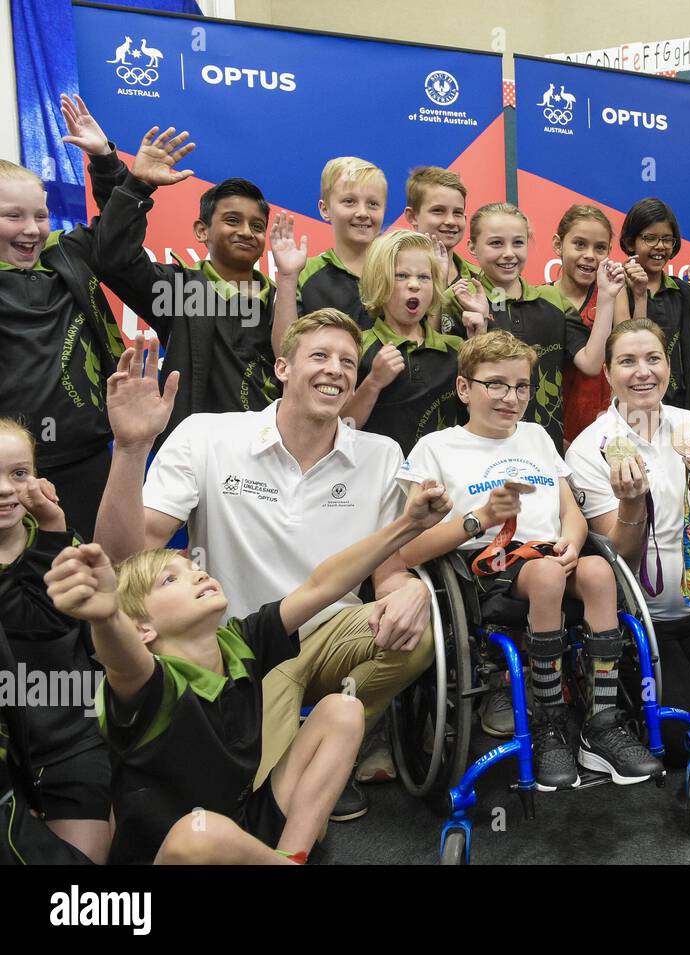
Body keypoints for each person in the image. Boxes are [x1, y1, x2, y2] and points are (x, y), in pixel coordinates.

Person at [92, 311, 436, 821]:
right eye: (319, 356)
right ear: (281, 367)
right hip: (240, 646)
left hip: (331, 633)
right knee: (251, 809)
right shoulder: (209, 435)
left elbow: (388, 574)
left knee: (419, 636)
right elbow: (125, 556)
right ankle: (309, 761)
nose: (336, 370)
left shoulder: (382, 455)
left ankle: (327, 742)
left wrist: (409, 590)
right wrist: (130, 448)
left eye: (347, 361)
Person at [44, 477, 450, 864]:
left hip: (247, 832)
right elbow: (122, 660)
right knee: (198, 832)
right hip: (181, 854)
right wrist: (107, 616)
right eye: (171, 580)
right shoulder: (153, 683)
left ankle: (292, 857)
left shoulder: (239, 642)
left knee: (341, 710)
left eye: (191, 567)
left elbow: (319, 586)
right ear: (142, 628)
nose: (198, 573)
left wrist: (407, 525)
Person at [399, 330, 662, 789]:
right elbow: (408, 549)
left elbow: (569, 513)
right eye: (495, 384)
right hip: (486, 571)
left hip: (553, 557)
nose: (511, 397)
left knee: (600, 571)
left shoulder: (537, 436)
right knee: (543, 575)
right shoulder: (434, 450)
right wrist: (480, 518)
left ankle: (601, 726)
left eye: (521, 386)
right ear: (464, 389)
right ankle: (549, 723)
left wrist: (575, 543)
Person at [566, 319, 690, 752]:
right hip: (644, 620)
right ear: (607, 373)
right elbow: (622, 564)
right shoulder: (588, 449)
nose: (643, 372)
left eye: (653, 358)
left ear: (669, 367)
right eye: (628, 361)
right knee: (683, 740)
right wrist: (634, 504)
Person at [89, 124, 281, 448]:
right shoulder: (177, 292)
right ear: (201, 230)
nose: (247, 232)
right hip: (195, 459)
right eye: (232, 220)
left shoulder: (285, 301)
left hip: (270, 456)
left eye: (257, 225)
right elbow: (114, 259)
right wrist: (137, 185)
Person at [0, 95, 130, 538]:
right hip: (10, 472)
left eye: (39, 214)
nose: (32, 228)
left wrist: (103, 158)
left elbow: (118, 226)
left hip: (87, 458)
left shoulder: (66, 253)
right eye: (12, 216)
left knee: (92, 577)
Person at [0, 418, 110, 863]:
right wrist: (53, 530)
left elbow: (60, 627)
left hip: (70, 744)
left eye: (19, 474)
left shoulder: (63, 543)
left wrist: (54, 532)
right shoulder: (54, 537)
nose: (7, 489)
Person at [278, 226, 469, 455]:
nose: (414, 284)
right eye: (401, 275)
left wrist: (479, 334)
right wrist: (374, 382)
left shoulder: (456, 348)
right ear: (379, 281)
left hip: (439, 480)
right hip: (372, 478)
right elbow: (338, 428)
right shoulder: (357, 348)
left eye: (424, 277)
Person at [462, 203, 612, 451]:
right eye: (496, 243)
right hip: (484, 447)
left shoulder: (552, 299)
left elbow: (591, 362)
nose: (509, 253)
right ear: (472, 247)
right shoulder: (458, 300)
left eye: (518, 243)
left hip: (546, 447)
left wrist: (606, 296)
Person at [619, 198, 690, 417]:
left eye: (667, 239)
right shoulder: (618, 291)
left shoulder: (687, 294)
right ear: (630, 242)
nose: (660, 246)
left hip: (689, 411)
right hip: (637, 412)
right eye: (650, 238)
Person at [549, 204, 630, 444]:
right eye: (580, 244)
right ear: (558, 245)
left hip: (606, 422)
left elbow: (624, 352)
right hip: (559, 424)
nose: (590, 255)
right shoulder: (544, 300)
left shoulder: (614, 292)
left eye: (600, 248)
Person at [296, 156, 388, 326]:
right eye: (349, 201)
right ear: (325, 209)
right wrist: (288, 278)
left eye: (373, 204)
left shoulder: (397, 269)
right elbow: (285, 347)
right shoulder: (303, 273)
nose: (362, 212)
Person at [403, 166, 480, 338]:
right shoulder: (393, 275)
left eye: (458, 213)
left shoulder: (478, 279)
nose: (451, 221)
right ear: (412, 216)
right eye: (438, 211)